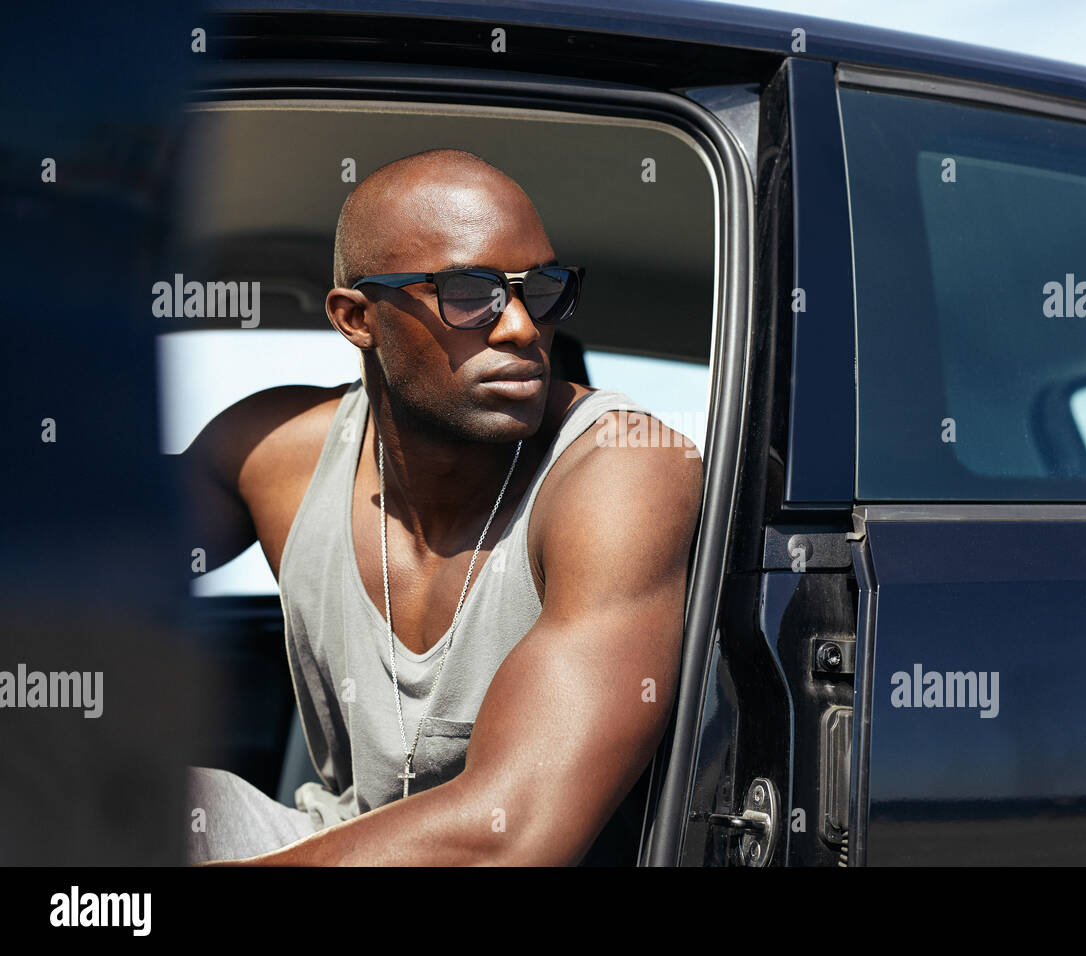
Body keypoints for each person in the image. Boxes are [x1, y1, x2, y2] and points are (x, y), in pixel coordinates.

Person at [181, 148, 703, 865]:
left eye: (541, 289)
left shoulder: (623, 470)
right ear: (357, 318)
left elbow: (510, 837)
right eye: (470, 292)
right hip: (325, 844)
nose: (521, 326)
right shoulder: (270, 456)